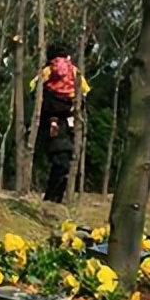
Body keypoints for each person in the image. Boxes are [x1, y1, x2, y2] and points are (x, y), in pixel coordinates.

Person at [29, 44, 90, 203]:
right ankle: (54, 199)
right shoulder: (75, 71)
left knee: (59, 161)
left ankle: (51, 199)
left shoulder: (48, 71)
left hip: (50, 120)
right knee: (64, 162)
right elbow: (85, 91)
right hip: (68, 119)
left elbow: (32, 87)